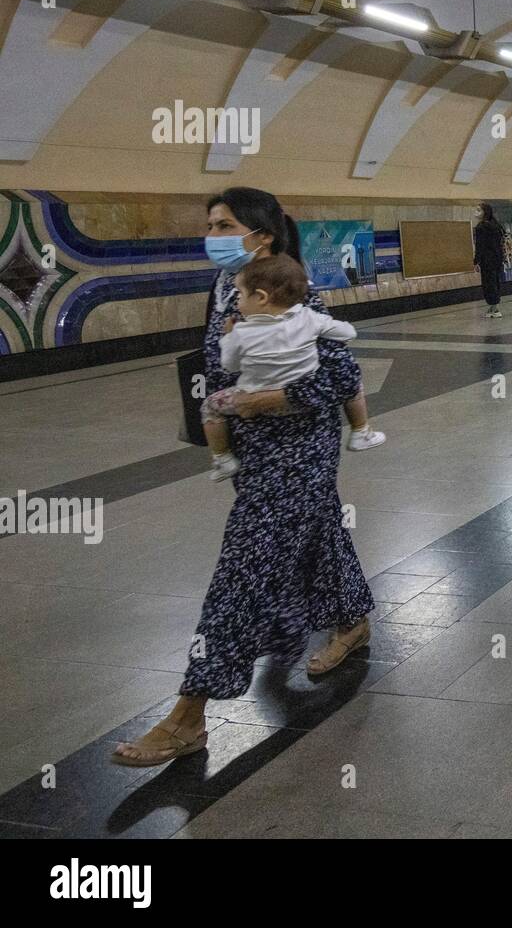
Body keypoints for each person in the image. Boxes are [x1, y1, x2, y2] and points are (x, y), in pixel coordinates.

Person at [112, 188, 375, 767]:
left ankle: (189, 715)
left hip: (297, 453)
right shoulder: (225, 288)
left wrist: (270, 400)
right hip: (253, 454)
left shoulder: (299, 293)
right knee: (321, 530)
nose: (213, 235)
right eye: (209, 224)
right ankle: (352, 619)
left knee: (242, 572)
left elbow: (342, 375)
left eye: (225, 224)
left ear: (263, 235)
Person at [202, 253, 379, 480]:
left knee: (210, 406)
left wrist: (227, 337)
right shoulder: (309, 318)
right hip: (300, 402)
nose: (237, 301)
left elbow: (229, 365)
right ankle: (360, 430)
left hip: (254, 402)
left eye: (241, 295)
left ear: (261, 297)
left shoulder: (242, 332)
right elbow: (348, 332)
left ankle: (222, 458)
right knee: (354, 381)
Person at [473, 203, 506, 318]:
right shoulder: (496, 226)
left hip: (486, 260)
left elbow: (480, 246)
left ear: (485, 212)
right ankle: (494, 306)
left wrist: (476, 261)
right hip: (497, 258)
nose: (476, 212)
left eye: (478, 210)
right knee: (495, 281)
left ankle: (494, 307)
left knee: (488, 283)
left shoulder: (481, 228)